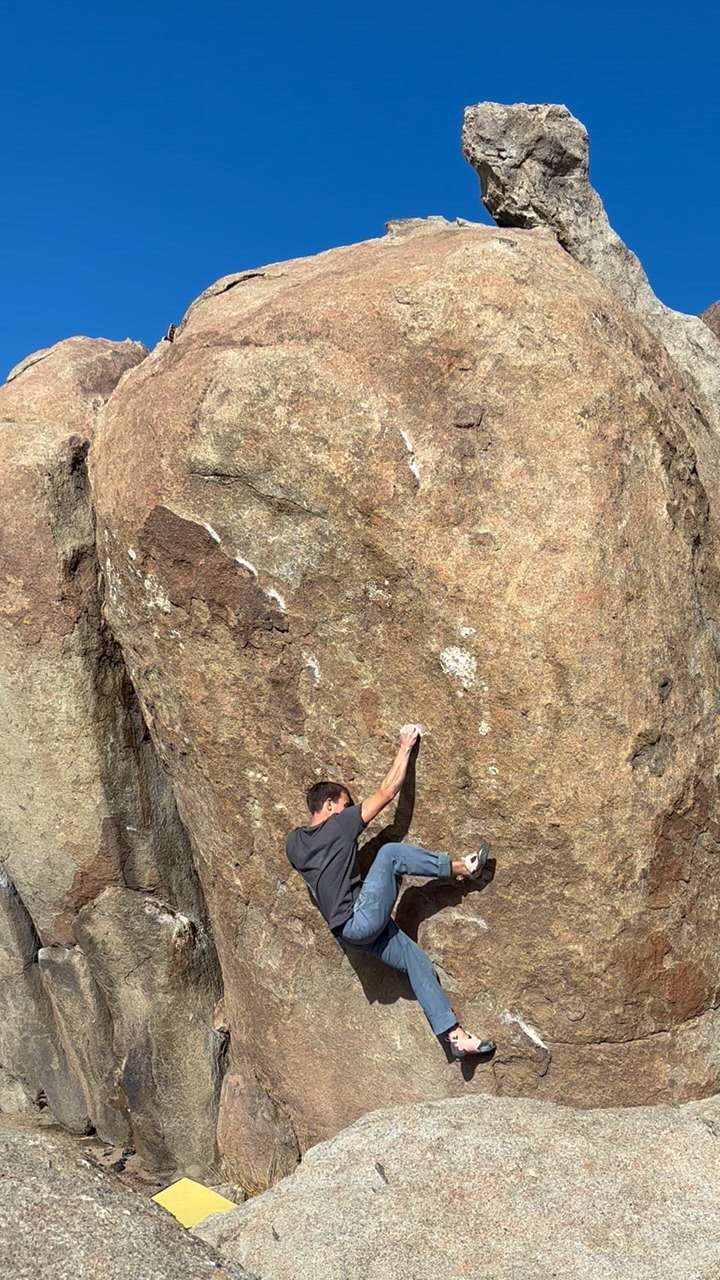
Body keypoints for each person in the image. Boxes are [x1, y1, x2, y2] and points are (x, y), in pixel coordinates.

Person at [285, 723, 496, 1060]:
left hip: (352, 935)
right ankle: (463, 868)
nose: (350, 810)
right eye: (345, 804)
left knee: (418, 963)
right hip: (360, 918)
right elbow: (387, 792)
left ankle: (454, 1037)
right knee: (390, 854)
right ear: (328, 806)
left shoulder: (293, 844)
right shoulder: (338, 826)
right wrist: (405, 746)